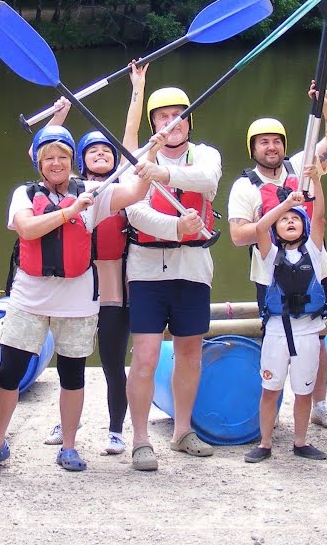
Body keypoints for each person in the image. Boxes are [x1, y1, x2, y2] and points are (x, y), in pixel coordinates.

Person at [0, 125, 151, 473]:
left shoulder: (94, 192)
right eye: (48, 157)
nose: (56, 163)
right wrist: (70, 211)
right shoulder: (24, 194)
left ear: (72, 160)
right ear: (38, 162)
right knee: (9, 373)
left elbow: (135, 191)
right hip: (29, 300)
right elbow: (27, 228)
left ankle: (68, 446)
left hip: (77, 302)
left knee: (73, 375)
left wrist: (148, 158)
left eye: (63, 157)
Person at [41, 61, 146, 455]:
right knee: (71, 358)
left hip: (116, 279)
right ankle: (63, 422)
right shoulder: (67, 189)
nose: (101, 155)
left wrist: (137, 90)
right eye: (93, 151)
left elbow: (132, 139)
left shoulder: (118, 185)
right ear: (79, 160)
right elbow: (44, 150)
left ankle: (115, 429)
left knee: (114, 358)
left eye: (106, 150)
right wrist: (60, 114)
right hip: (76, 280)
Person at [227, 90, 327, 430]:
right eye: (263, 142)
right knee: (275, 337)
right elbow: (238, 236)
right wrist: (273, 218)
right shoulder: (244, 187)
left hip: (312, 265)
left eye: (276, 141)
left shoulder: (302, 166)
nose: (271, 148)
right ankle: (273, 404)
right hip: (271, 272)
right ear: (253, 149)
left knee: (318, 335)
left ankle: (319, 402)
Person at [123, 87, 222, 471]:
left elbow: (205, 180)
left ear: (189, 121)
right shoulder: (140, 159)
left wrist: (162, 172)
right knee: (145, 356)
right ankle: (141, 439)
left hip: (193, 270)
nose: (172, 123)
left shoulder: (206, 155)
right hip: (147, 270)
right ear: (153, 124)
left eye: (179, 115)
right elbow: (136, 213)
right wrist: (177, 226)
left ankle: (182, 431)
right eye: (163, 117)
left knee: (189, 355)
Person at [243, 163, 327, 464]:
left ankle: (301, 441)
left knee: (304, 392)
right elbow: (257, 228)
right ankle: (265, 443)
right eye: (284, 220)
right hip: (278, 332)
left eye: (296, 219)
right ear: (276, 229)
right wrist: (285, 204)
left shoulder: (314, 253)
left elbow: (318, 216)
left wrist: (317, 182)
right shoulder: (269, 256)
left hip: (307, 331)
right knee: (270, 389)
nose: (290, 222)